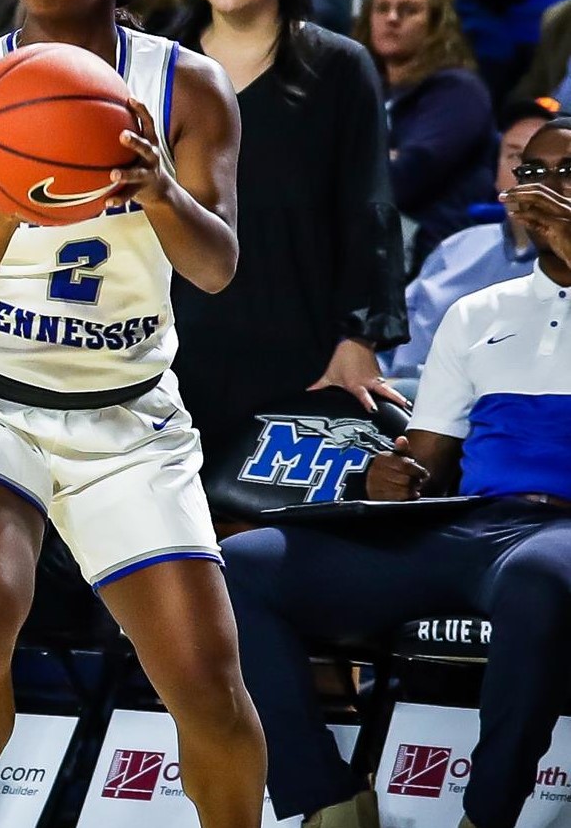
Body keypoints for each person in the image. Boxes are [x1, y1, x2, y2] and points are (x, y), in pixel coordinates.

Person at [0, 0, 264, 828]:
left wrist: (158, 190)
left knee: (208, 681)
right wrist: (0, 218)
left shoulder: (191, 87)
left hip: (128, 412)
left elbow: (218, 265)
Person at [222, 115, 571, 828]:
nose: (543, 188)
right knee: (241, 564)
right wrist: (398, 472)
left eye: (564, 173)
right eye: (531, 172)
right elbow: (431, 456)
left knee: (539, 576)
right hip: (474, 525)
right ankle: (327, 797)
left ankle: (488, 815)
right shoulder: (478, 312)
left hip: (559, 535)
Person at [173, 0, 407, 445]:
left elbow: (367, 207)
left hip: (298, 344)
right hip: (170, 347)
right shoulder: (157, 62)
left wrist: (359, 338)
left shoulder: (341, 68)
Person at [387, 98, 555, 377]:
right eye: (515, 156)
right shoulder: (457, 248)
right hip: (392, 400)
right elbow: (387, 334)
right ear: (497, 175)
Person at [353, 0, 495, 265]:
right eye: (382, 8)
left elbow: (405, 179)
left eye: (408, 10)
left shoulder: (458, 91)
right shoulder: (361, 87)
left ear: (435, 23)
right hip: (372, 243)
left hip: (436, 256)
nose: (392, 18)